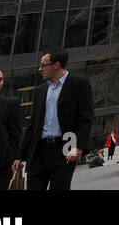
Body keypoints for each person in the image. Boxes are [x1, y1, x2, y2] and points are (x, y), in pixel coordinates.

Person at [14, 49, 95, 190]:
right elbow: (33, 125)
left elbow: (86, 117)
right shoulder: (40, 90)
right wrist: (20, 156)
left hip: (64, 148)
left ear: (56, 65)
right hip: (39, 150)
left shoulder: (79, 84)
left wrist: (78, 146)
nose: (40, 69)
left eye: (43, 65)